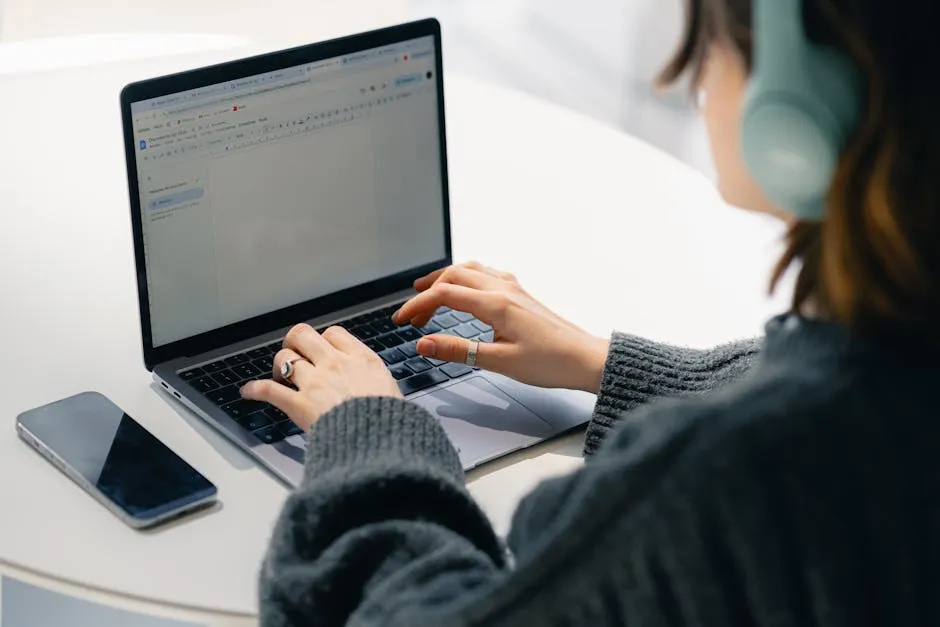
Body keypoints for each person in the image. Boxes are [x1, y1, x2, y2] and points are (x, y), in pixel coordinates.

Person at [242, 0, 940, 624]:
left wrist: (368, 432)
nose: (693, 79)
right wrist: (605, 363)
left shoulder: (727, 479)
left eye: (713, 39)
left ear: (798, 101)